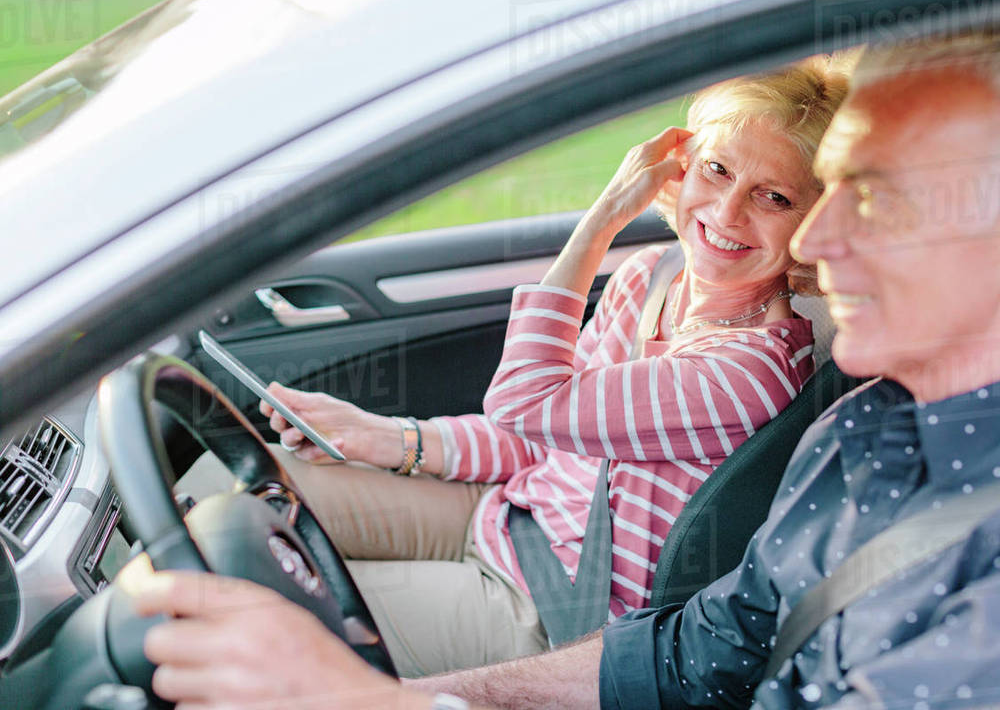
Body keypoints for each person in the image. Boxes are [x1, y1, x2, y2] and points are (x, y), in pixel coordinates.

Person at [135, 18, 1000, 710]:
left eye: (875, 198)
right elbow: (697, 651)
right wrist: (388, 699)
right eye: (829, 193)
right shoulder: (863, 426)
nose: (818, 243)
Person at [176, 57, 849, 677]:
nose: (727, 211)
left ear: (814, 225)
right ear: (681, 165)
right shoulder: (652, 275)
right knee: (223, 486)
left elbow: (527, 401)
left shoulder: (744, 374)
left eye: (774, 197)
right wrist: (392, 439)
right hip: (510, 514)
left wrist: (603, 219)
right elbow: (541, 438)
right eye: (717, 169)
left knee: (248, 596)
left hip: (554, 612)